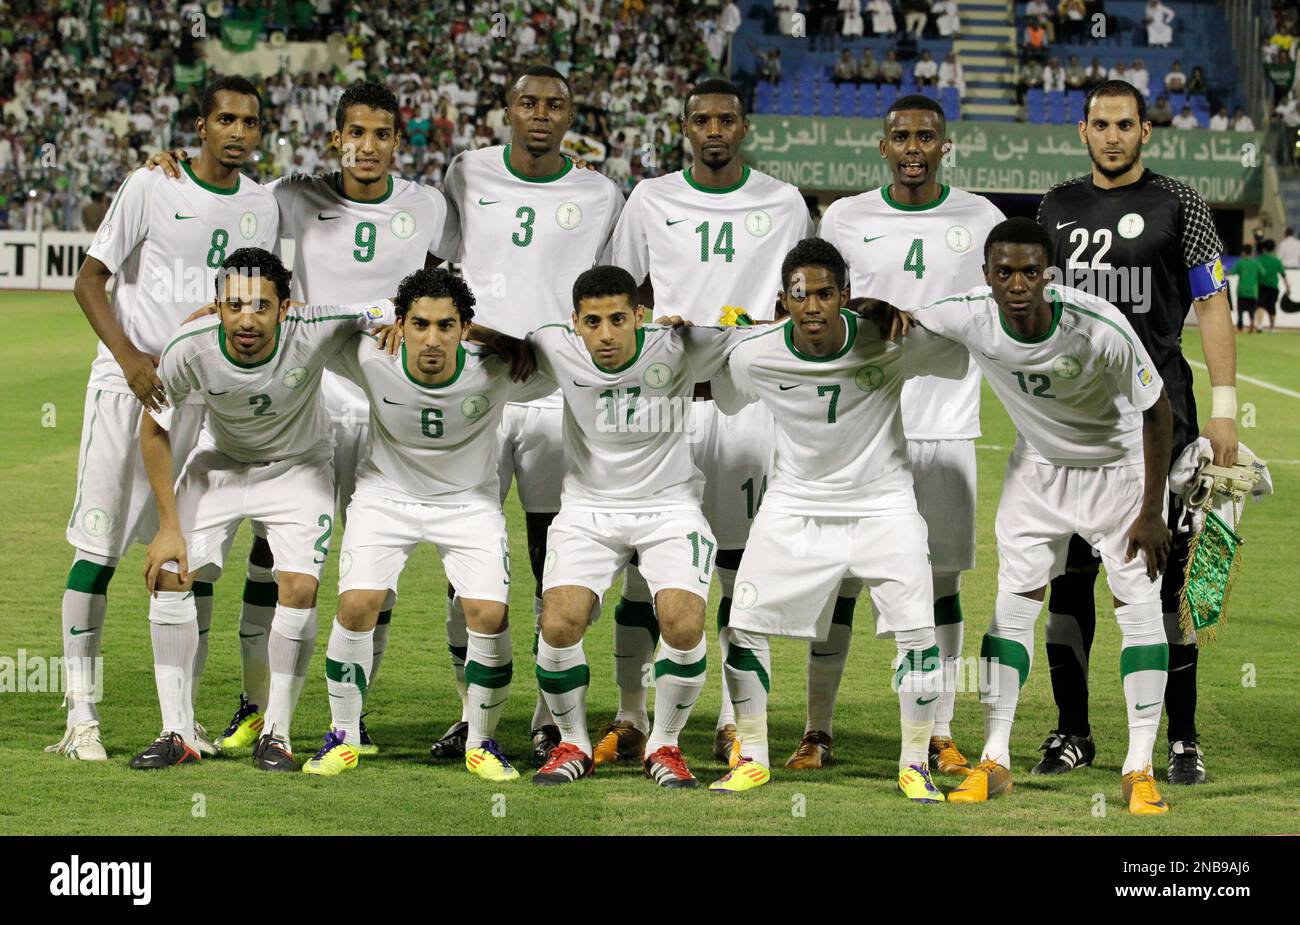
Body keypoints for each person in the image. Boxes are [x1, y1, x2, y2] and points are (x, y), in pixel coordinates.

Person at [144, 81, 458, 757]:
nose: (366, 146)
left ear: (397, 142)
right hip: (307, 394)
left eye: (381, 134)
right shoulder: (292, 195)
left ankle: (353, 713)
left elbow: (434, 290)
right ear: (334, 138)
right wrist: (167, 164)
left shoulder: (427, 204)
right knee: (273, 555)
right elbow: (229, 207)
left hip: (385, 400)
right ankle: (256, 706)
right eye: (355, 133)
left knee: (374, 559)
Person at [47, 76, 279, 764]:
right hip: (129, 393)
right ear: (200, 127)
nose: (238, 131)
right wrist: (128, 357)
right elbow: (89, 278)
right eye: (226, 119)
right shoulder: (151, 185)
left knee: (190, 563)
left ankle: (180, 722)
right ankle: (81, 716)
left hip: (203, 402)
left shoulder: (263, 206)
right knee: (97, 555)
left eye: (250, 121)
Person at [912, 218, 1175, 816]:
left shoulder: (1100, 327)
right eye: (1004, 272)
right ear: (986, 276)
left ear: (1049, 276)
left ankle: (1138, 770)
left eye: (1031, 272)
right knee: (1012, 605)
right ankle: (995, 759)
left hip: (1118, 471)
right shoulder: (968, 313)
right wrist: (875, 310)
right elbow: (904, 318)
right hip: (1037, 471)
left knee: (1136, 611)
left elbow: (1157, 411)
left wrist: (1152, 511)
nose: (1017, 284)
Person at [705, 237, 968, 799]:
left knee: (919, 634)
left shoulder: (886, 339)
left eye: (826, 293)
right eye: (801, 295)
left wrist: (910, 319)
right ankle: (751, 756)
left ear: (846, 296)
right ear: (784, 300)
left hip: (883, 503)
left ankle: (913, 763)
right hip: (795, 504)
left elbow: (960, 353)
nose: (814, 306)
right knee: (743, 626)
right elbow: (724, 395)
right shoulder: (757, 354)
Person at [1036, 80, 1238, 785]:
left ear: (1147, 131)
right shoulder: (1055, 207)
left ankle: (1182, 738)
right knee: (1069, 585)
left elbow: (1212, 300)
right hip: (1075, 431)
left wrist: (1227, 406)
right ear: (1082, 131)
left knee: (1168, 584)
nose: (1114, 135)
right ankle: (1072, 731)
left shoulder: (1179, 203)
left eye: (1126, 124)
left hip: (1165, 425)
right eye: (1101, 123)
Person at [606, 79, 812, 769]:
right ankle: (631, 716)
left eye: (726, 119)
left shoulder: (783, 203)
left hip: (750, 405)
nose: (714, 129)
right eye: (702, 119)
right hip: (664, 406)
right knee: (644, 564)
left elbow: (799, 299)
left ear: (744, 127)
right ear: (684, 127)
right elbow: (619, 291)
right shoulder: (650, 198)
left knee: (741, 568)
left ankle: (733, 719)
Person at [133, 247, 392, 770]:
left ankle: (277, 731)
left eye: (260, 306)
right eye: (233, 306)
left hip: (299, 467)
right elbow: (154, 426)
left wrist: (400, 325)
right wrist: (167, 526)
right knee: (168, 574)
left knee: (298, 587)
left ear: (286, 307)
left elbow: (392, 308)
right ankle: (177, 732)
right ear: (217, 306)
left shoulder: (316, 325)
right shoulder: (188, 347)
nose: (246, 319)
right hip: (220, 463)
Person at [437, 66, 625, 763]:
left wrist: (552, 342)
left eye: (555, 104)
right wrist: (485, 334)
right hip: (476, 396)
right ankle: (471, 714)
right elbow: (440, 275)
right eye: (527, 102)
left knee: (554, 561)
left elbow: (617, 296)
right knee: (467, 561)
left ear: (571, 116)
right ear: (506, 111)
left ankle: (550, 716)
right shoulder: (466, 173)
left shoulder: (601, 193)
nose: (540, 114)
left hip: (556, 400)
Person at [301, 269, 551, 781]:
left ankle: (482, 742)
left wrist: (498, 337)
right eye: (419, 324)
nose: (432, 339)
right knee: (356, 605)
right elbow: (308, 322)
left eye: (446, 326)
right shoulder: (371, 354)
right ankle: (344, 736)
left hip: (468, 503)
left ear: (465, 328)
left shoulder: (499, 365)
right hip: (384, 496)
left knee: (488, 615)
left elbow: (565, 350)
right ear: (401, 322)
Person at [818, 95, 1006, 775]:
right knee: (839, 579)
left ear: (945, 145)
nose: (914, 147)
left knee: (943, 582)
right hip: (859, 433)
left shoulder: (981, 218)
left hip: (947, 428)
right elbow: (816, 304)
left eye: (927, 136)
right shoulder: (844, 217)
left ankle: (940, 728)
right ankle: (817, 729)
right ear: (883, 145)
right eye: (902, 136)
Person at [505, 266, 748, 788]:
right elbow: (494, 348)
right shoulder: (553, 344)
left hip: (670, 505)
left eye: (619, 318)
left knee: (681, 622)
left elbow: (756, 333)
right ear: (574, 322)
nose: (607, 333)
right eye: (592, 321)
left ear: (640, 315)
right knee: (558, 621)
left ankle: (664, 745)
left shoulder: (676, 344)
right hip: (589, 509)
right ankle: (573, 741)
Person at [1254, 239, 1285, 331]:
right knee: (1272, 306)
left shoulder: (1259, 259)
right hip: (1273, 286)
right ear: (1274, 248)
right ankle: (1272, 327)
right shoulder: (1277, 261)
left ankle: (1259, 325)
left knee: (1260, 305)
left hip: (1261, 285)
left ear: (1264, 248)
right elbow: (1283, 274)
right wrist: (1288, 287)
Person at [1226, 246, 1257, 332]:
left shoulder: (1241, 263)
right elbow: (1262, 273)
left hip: (1242, 290)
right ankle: (1252, 321)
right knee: (1251, 310)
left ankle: (1240, 327)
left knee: (1240, 310)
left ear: (1243, 252)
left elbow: (1232, 272)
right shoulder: (1255, 263)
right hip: (1253, 291)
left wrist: (1222, 274)